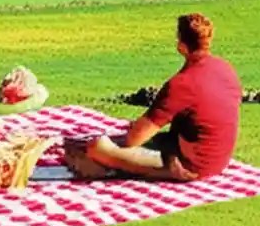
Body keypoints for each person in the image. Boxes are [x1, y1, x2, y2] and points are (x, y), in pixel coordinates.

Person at [69, 13, 241, 181]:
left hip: (191, 166)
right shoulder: (226, 69)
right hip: (217, 159)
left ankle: (101, 168)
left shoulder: (182, 84)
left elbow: (133, 140)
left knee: (98, 147)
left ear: (181, 45)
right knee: (119, 142)